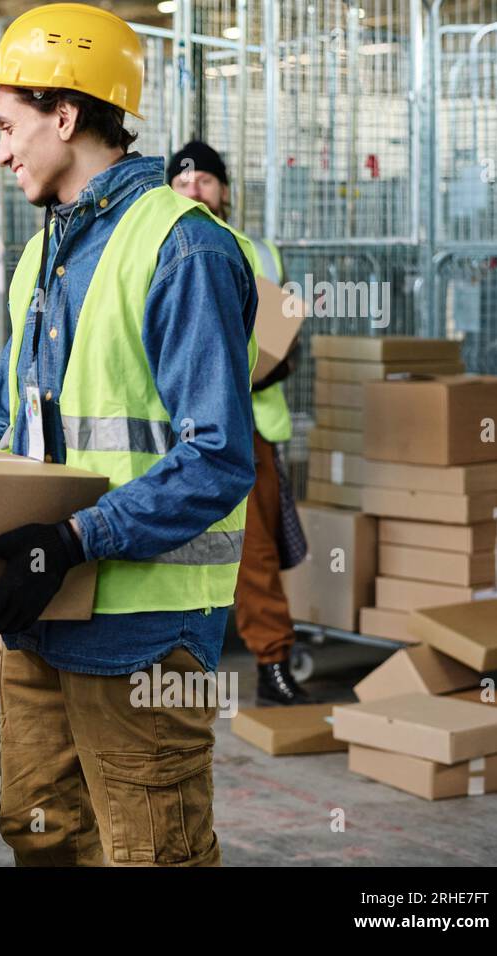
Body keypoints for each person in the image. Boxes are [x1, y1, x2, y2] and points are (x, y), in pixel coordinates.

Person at [0, 3, 259, 866]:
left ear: (67, 113)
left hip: (142, 631)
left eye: (11, 126)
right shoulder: (39, 257)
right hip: (44, 620)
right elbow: (6, 429)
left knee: (148, 852)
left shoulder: (182, 249)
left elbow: (217, 457)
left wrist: (72, 537)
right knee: (40, 831)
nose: (5, 151)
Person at [168, 140, 312, 705]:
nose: (194, 188)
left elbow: (281, 332)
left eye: (205, 180)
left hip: (250, 424)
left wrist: (270, 365)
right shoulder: (158, 247)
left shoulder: (261, 253)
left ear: (225, 190)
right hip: (177, 424)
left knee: (255, 549)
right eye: (183, 181)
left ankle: (272, 662)